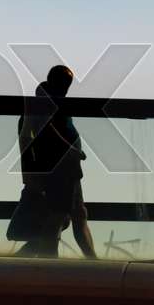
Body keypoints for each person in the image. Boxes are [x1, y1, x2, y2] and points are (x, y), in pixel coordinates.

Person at [10, 65, 97, 259]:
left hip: (68, 167)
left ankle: (92, 260)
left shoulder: (52, 102)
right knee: (58, 216)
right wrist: (70, 149)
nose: (66, 88)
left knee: (76, 213)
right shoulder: (45, 103)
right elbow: (43, 131)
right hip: (58, 167)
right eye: (65, 84)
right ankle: (50, 261)